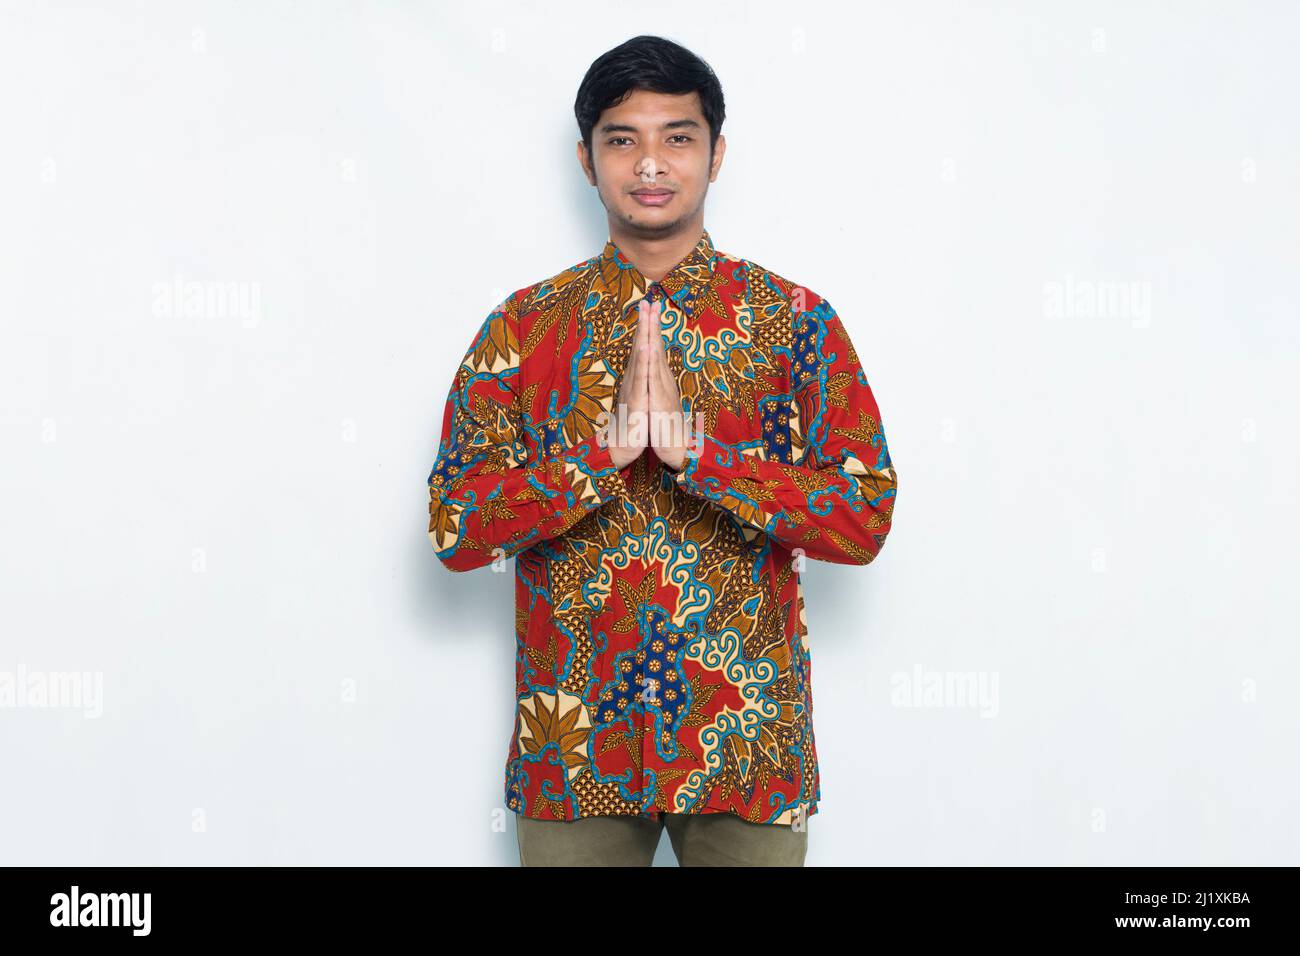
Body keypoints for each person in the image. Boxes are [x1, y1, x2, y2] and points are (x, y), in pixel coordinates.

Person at [426, 35, 898, 866]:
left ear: (717, 156)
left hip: (746, 748)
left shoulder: (796, 323)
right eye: (623, 139)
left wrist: (703, 460)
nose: (650, 163)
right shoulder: (525, 328)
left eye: (677, 137)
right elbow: (454, 527)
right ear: (586, 158)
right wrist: (595, 462)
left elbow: (863, 518)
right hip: (573, 751)